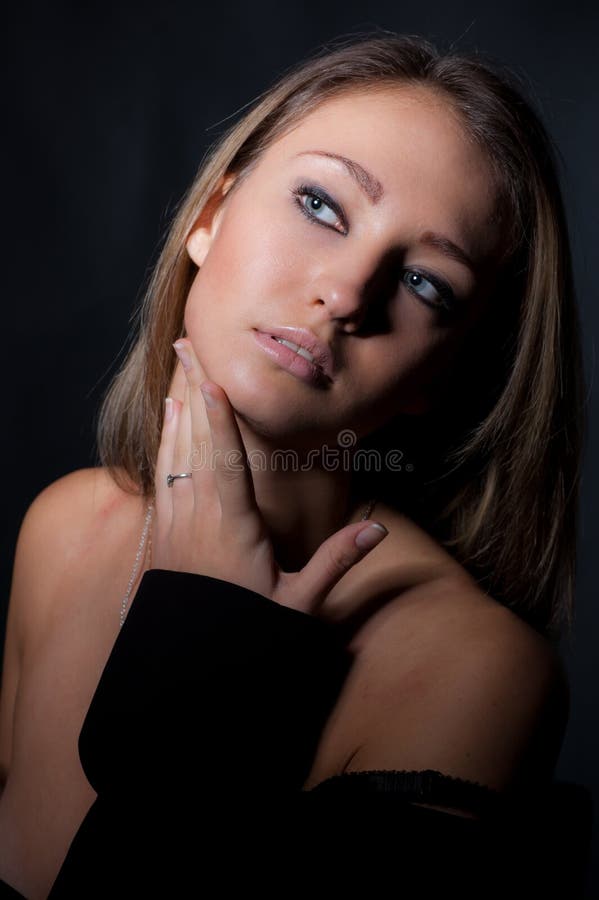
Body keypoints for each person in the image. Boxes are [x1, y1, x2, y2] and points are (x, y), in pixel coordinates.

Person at [0, 30, 587, 899]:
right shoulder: (64, 530)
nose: (347, 295)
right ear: (208, 219)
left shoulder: (475, 671)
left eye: (427, 283)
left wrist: (206, 655)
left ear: (440, 377)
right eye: (320, 205)